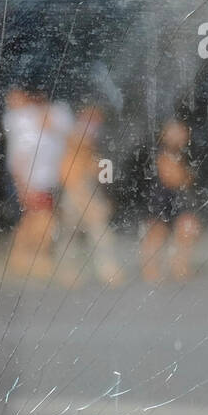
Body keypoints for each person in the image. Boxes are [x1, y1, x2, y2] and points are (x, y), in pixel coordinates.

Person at [3, 86, 73, 278]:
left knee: (38, 221)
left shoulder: (59, 113)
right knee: (41, 221)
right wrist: (22, 185)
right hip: (31, 180)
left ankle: (25, 258)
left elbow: (73, 139)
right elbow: (18, 156)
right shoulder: (19, 118)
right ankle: (26, 259)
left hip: (54, 180)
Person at [59, 103, 124, 285]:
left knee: (98, 232)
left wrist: (105, 196)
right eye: (90, 119)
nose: (95, 125)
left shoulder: (95, 147)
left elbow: (104, 175)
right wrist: (83, 197)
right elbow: (68, 176)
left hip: (89, 192)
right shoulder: (74, 143)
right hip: (76, 193)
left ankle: (106, 269)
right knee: (74, 234)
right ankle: (70, 272)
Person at [140, 118, 201, 283]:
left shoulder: (184, 154)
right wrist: (185, 176)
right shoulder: (162, 155)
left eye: (181, 132)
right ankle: (152, 271)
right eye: (174, 133)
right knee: (156, 235)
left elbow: (183, 179)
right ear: (164, 135)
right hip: (160, 200)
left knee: (187, 228)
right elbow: (174, 179)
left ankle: (179, 266)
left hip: (177, 200)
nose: (179, 137)